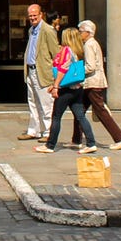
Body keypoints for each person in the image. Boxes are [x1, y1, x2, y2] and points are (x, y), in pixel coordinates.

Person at [37, 26, 98, 154]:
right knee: (81, 116)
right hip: (77, 88)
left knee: (56, 116)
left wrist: (55, 86)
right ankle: (91, 143)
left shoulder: (66, 50)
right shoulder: (79, 50)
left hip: (66, 89)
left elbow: (63, 69)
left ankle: (50, 145)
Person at [78, 19, 121, 150]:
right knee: (79, 109)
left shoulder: (89, 44)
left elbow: (90, 66)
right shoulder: (93, 43)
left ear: (88, 32)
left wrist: (76, 72)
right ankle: (76, 139)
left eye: (81, 31)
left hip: (92, 83)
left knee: (100, 111)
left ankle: (120, 137)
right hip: (91, 82)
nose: (79, 34)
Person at [20, 3, 60, 142]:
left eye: (35, 15)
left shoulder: (48, 30)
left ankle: (48, 132)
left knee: (45, 103)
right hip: (31, 71)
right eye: (30, 16)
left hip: (43, 72)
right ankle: (33, 130)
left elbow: (56, 54)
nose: (32, 18)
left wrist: (54, 77)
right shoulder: (32, 30)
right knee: (32, 102)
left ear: (41, 14)